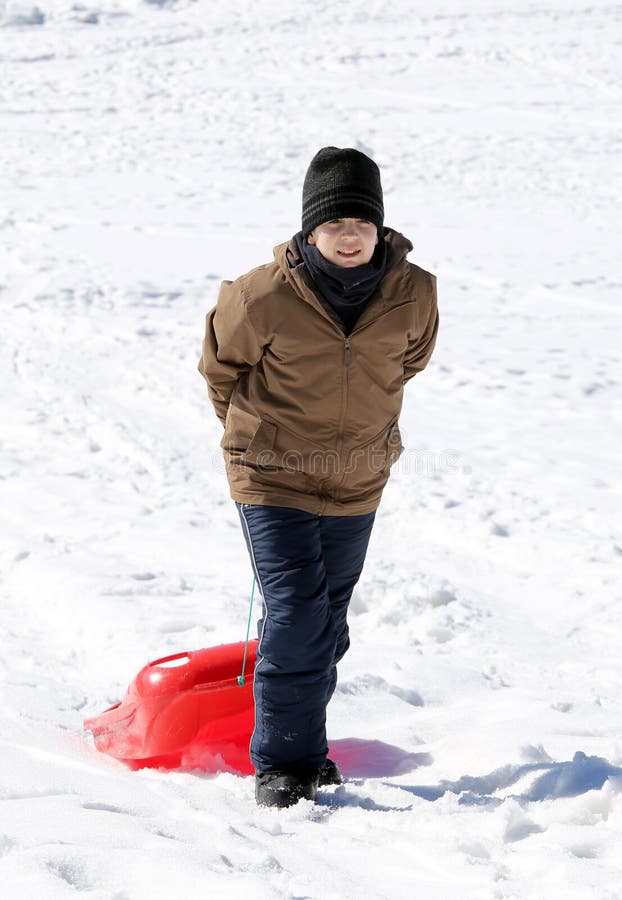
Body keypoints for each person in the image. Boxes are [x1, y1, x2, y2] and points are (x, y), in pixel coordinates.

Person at [199, 146, 438, 808]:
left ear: (379, 227)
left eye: (361, 222)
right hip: (272, 476)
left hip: (357, 477)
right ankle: (284, 763)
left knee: (326, 620)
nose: (349, 235)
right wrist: (262, 436)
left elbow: (408, 363)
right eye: (334, 224)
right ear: (310, 229)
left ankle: (304, 744)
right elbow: (221, 370)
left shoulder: (414, 291)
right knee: (300, 610)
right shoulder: (260, 295)